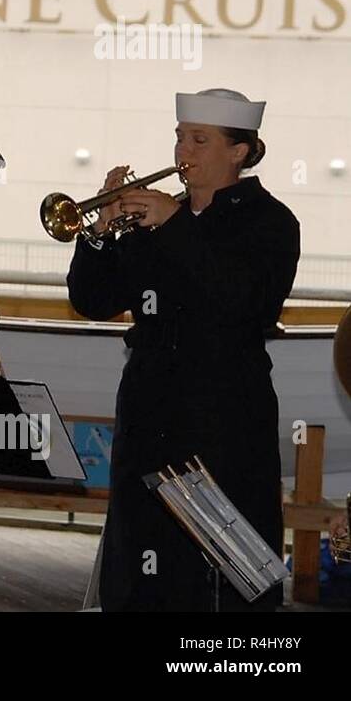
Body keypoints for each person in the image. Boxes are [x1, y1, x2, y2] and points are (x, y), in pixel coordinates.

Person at [68, 87, 299, 611]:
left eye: (199, 140)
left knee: (224, 570)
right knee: (140, 561)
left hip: (223, 421)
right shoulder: (154, 224)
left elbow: (244, 301)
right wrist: (101, 232)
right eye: (179, 138)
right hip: (148, 415)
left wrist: (175, 225)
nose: (182, 152)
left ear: (238, 151)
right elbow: (92, 299)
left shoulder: (269, 221)